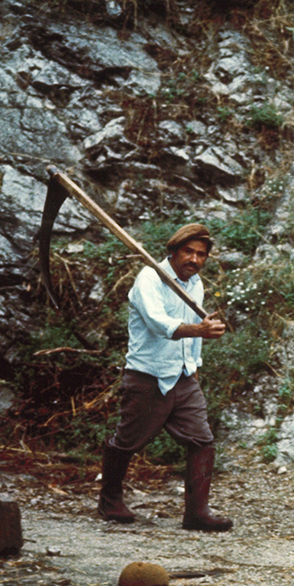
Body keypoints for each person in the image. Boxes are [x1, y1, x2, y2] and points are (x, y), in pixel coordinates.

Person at [97, 223, 233, 532]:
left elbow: (196, 323)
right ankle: (109, 499)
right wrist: (200, 330)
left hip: (184, 377)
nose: (194, 259)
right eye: (188, 251)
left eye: (201, 254)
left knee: (202, 440)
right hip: (148, 376)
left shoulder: (194, 283)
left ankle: (197, 513)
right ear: (173, 251)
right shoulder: (149, 278)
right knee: (127, 441)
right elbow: (160, 324)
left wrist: (194, 363)